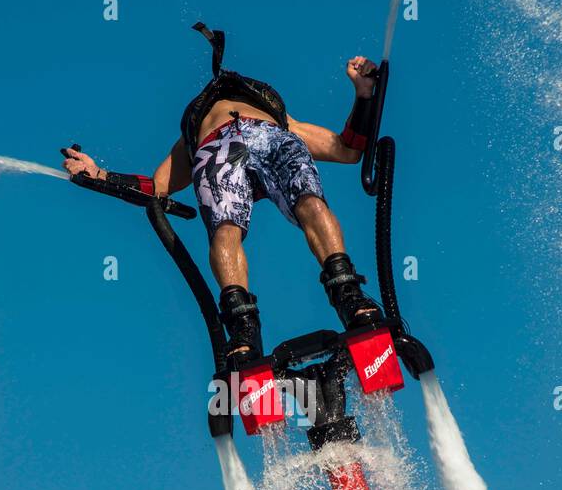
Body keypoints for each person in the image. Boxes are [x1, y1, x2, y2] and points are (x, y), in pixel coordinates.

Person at [63, 22, 383, 365]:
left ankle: (348, 295)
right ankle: (244, 326)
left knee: (311, 204)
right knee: (226, 229)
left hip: (268, 136)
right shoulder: (191, 133)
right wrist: (100, 175)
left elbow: (348, 149)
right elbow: (156, 188)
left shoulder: (282, 118)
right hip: (216, 147)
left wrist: (363, 95)